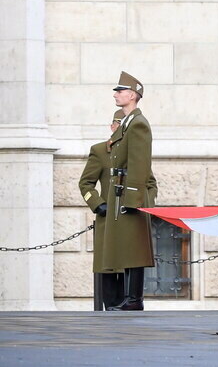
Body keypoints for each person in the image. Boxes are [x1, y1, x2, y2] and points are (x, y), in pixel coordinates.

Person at [101, 73, 155, 311]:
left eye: (120, 91)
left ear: (132, 95)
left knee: (134, 246)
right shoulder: (128, 122)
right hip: (120, 190)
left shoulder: (138, 123)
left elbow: (139, 163)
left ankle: (134, 299)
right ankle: (129, 298)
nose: (115, 94)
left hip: (129, 192)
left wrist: (132, 197)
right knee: (127, 245)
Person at [80, 110, 124, 310]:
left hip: (130, 220)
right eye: (118, 124)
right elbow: (86, 184)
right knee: (107, 270)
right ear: (112, 126)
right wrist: (98, 204)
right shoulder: (99, 151)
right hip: (107, 220)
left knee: (129, 268)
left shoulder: (136, 153)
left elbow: (150, 183)